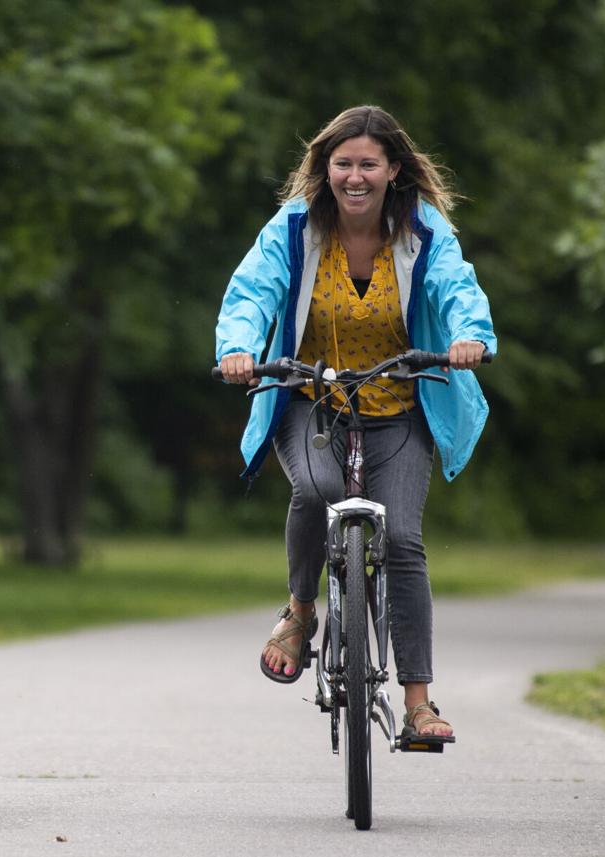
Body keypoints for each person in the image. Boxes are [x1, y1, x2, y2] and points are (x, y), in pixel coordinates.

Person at [215, 105, 495, 740]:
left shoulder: (423, 230)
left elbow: (456, 287)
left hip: (399, 406)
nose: (355, 177)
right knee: (316, 489)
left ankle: (419, 703)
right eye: (343, 164)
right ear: (326, 169)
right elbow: (253, 291)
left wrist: (469, 337)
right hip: (312, 399)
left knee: (403, 541)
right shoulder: (295, 227)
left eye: (369, 164)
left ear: (393, 169)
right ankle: (300, 611)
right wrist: (238, 348)